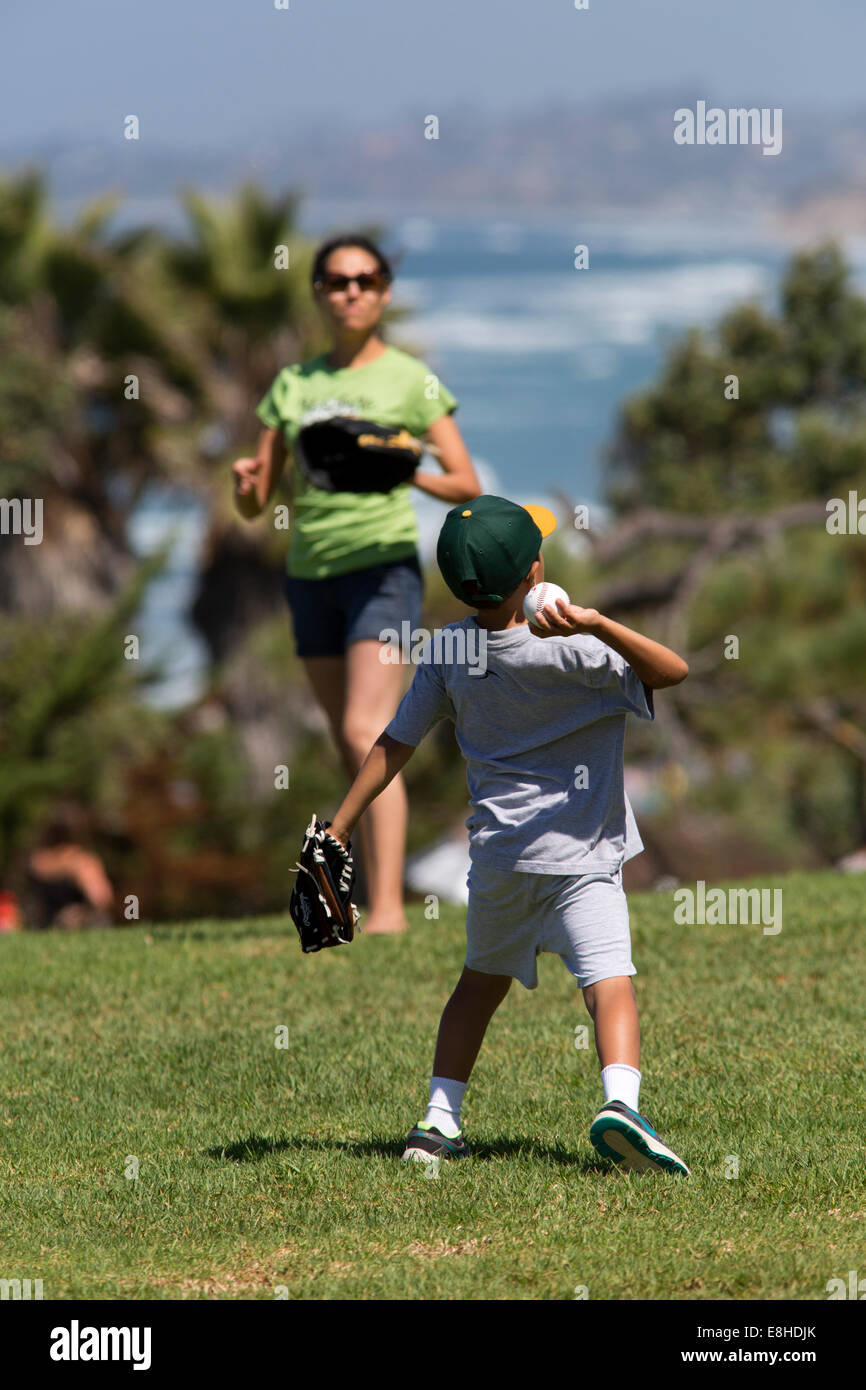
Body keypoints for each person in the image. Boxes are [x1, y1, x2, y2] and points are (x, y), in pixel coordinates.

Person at [326, 495, 691, 1175]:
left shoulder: (448, 650)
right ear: (537, 570)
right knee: (608, 983)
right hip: (582, 860)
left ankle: (437, 1123)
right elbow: (672, 671)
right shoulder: (581, 651)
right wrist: (597, 622)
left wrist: (342, 825)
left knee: (476, 988)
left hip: (498, 861)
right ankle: (621, 1104)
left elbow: (393, 743)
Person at [232, 235, 480, 935]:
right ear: (317, 291)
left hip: (384, 569)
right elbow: (257, 499)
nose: (351, 292)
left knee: (364, 728)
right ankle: (369, 894)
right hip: (310, 574)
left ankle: (390, 911)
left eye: (366, 280)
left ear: (384, 293)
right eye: (337, 281)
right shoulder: (293, 385)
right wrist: (246, 487)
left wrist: (405, 469)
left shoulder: (411, 380)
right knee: (351, 745)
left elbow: (467, 483)